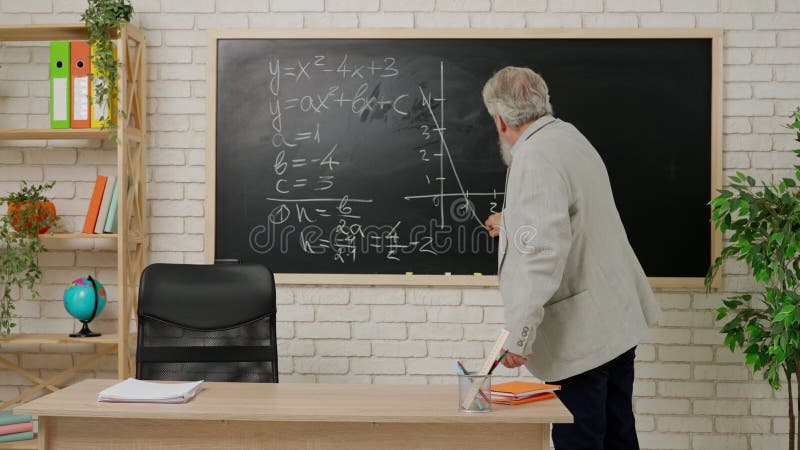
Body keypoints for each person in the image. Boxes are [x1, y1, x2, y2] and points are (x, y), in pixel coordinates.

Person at [481, 66, 661, 450]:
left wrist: (519, 335)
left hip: (582, 338)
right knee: (618, 436)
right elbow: (572, 215)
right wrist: (513, 221)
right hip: (615, 320)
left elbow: (542, 257)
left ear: (500, 120)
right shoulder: (569, 137)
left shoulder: (533, 158)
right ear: (543, 101)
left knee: (581, 441)